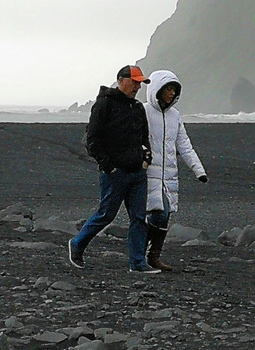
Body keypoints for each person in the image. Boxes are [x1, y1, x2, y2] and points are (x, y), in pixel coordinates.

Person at [68, 65, 158, 273]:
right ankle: (77, 244)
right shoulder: (104, 104)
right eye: (134, 81)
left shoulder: (137, 108)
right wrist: (108, 167)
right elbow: (93, 139)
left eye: (139, 83)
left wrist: (147, 157)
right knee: (106, 215)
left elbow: (144, 137)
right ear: (120, 80)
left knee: (138, 218)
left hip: (137, 173)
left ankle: (137, 263)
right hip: (115, 173)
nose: (137, 86)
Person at [143, 69, 207, 271]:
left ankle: (151, 256)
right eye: (167, 89)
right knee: (159, 212)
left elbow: (184, 145)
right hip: (147, 172)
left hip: (169, 174)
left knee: (165, 213)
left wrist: (199, 170)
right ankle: (143, 254)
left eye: (174, 89)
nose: (171, 93)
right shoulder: (142, 111)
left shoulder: (175, 116)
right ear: (156, 89)